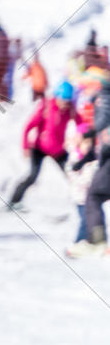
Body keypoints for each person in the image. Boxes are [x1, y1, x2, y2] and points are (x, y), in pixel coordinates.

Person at [7, 82, 74, 209]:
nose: (65, 103)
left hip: (58, 150)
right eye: (63, 100)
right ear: (57, 97)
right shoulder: (47, 107)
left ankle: (83, 204)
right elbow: (28, 126)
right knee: (32, 176)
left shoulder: (69, 110)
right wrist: (25, 146)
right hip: (39, 148)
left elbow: (81, 123)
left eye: (68, 101)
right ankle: (13, 202)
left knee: (72, 175)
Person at [72, 69, 110, 256]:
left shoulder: (104, 97)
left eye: (86, 86)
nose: (84, 91)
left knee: (94, 196)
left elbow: (103, 124)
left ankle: (97, 241)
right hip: (105, 157)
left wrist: (90, 132)